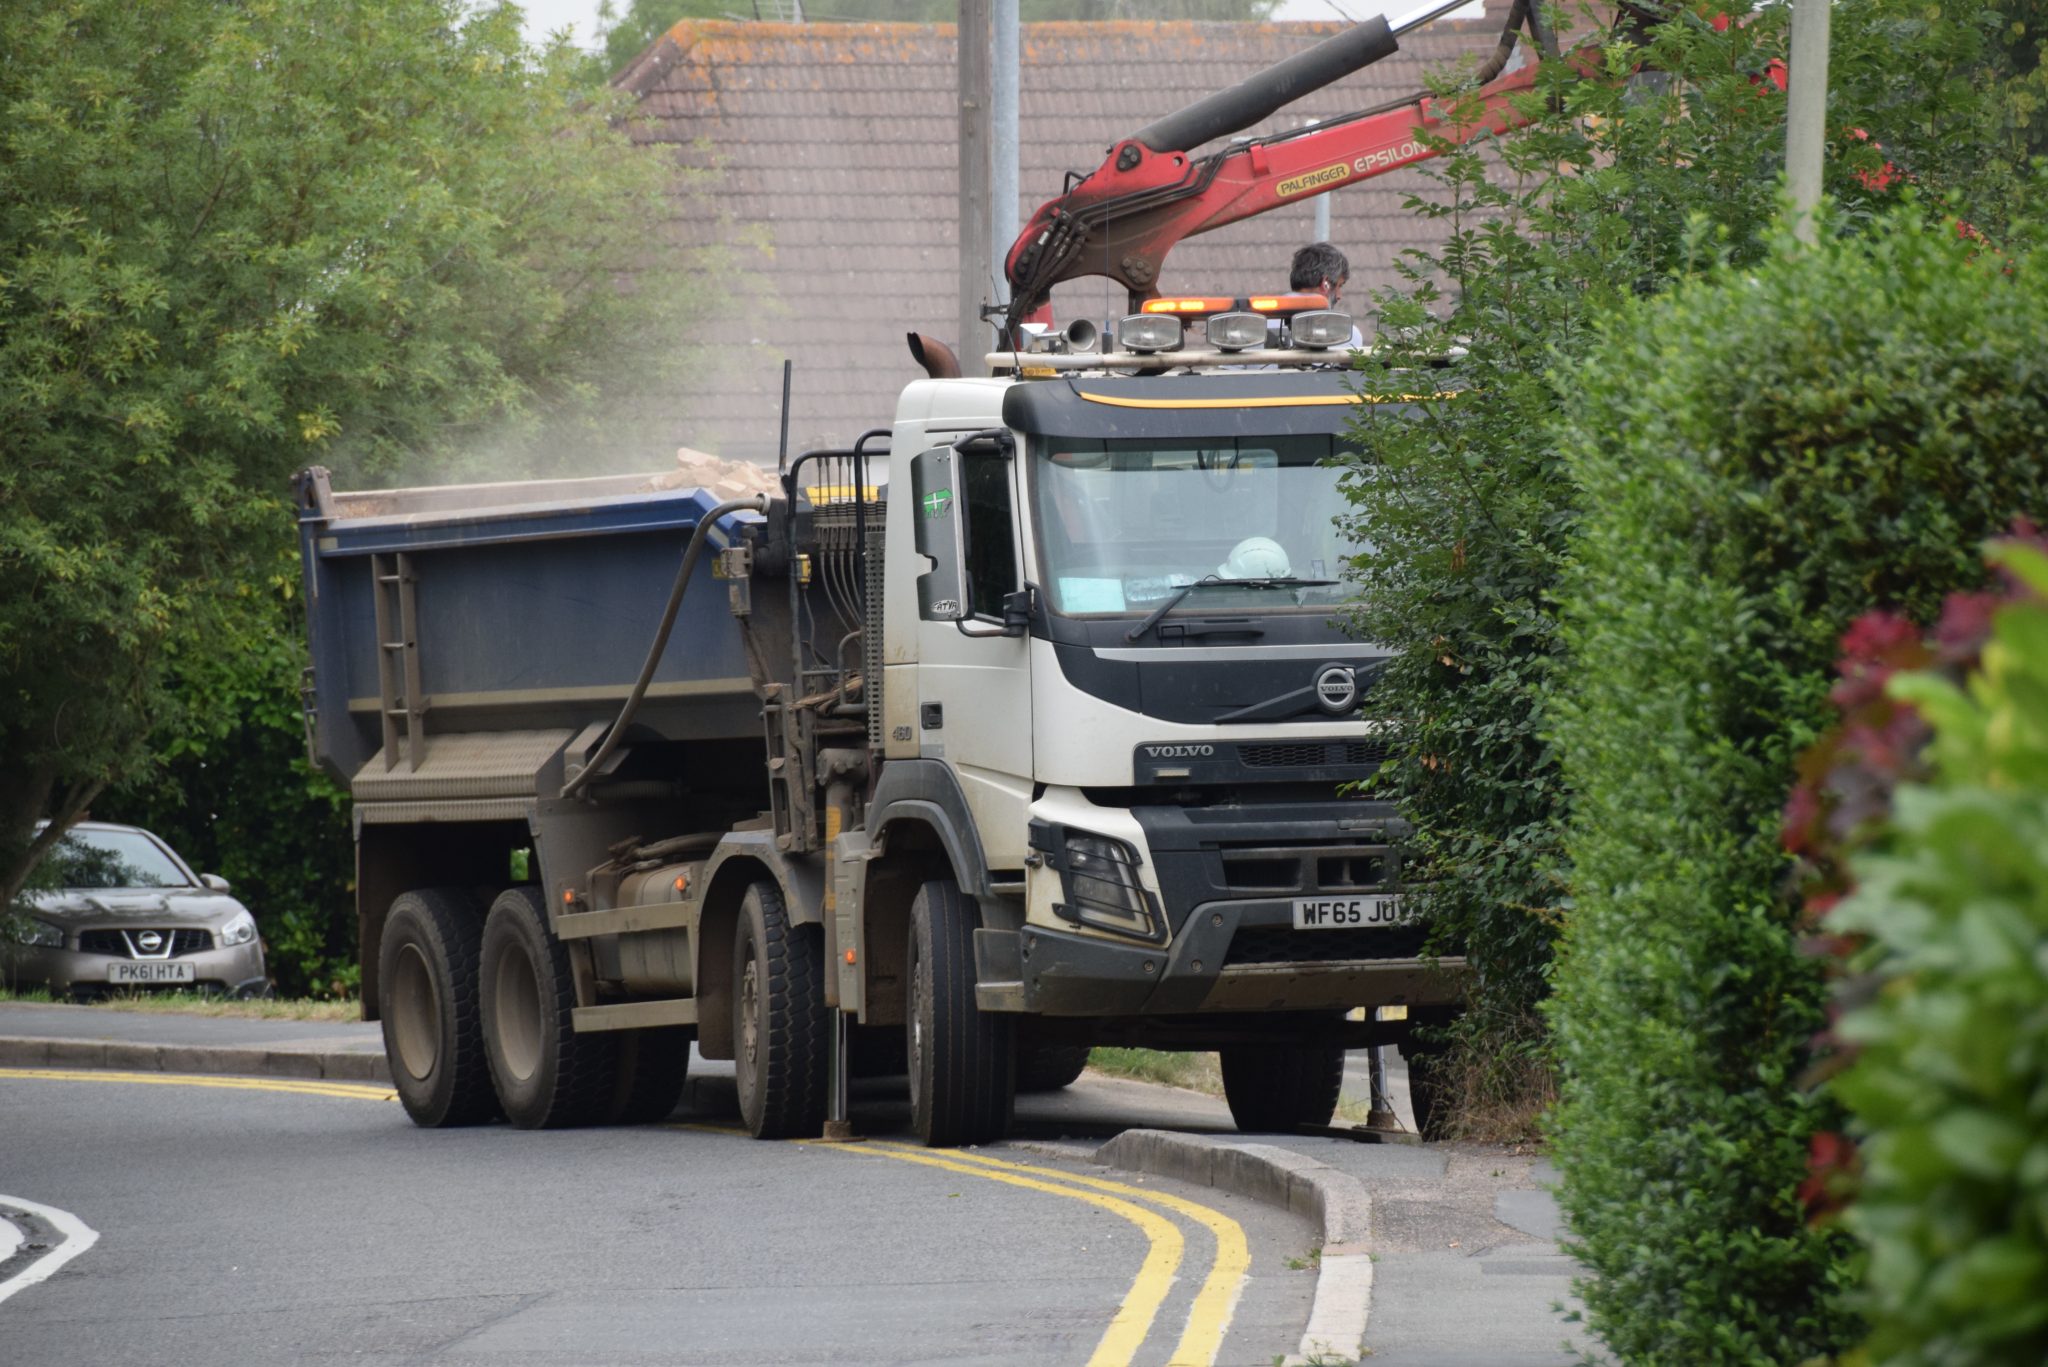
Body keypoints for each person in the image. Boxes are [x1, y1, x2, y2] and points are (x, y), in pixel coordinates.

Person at [1282, 241, 1366, 349]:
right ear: (1325, 284)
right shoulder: (1346, 335)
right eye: (1339, 286)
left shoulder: (1261, 326)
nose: (1339, 296)